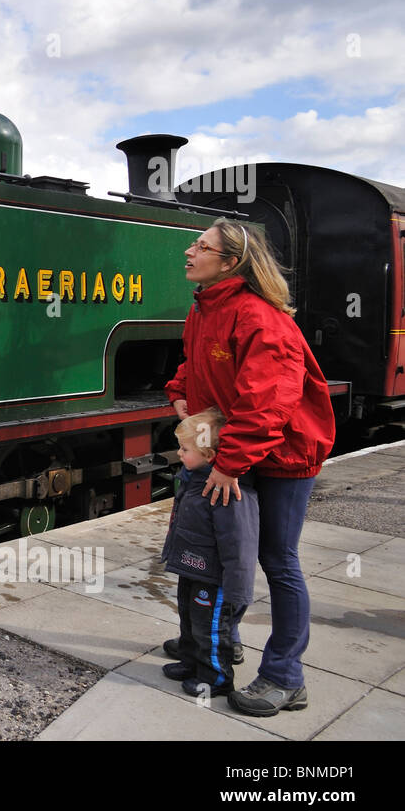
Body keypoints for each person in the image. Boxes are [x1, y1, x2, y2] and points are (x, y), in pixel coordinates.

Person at [165, 218, 336, 716]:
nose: (189, 251)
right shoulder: (206, 309)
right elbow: (196, 365)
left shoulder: (260, 317)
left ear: (230, 262)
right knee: (223, 551)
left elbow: (267, 404)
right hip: (241, 450)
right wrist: (180, 394)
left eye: (202, 246)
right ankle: (220, 646)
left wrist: (230, 465)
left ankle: (286, 676)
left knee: (277, 560)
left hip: (284, 454)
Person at [160, 408, 259, 699]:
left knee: (211, 629)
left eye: (185, 448)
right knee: (189, 620)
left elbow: (239, 543)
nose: (179, 453)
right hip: (191, 568)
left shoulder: (226, 491)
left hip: (213, 576)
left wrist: (237, 587)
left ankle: (215, 677)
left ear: (211, 456)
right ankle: (191, 662)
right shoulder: (192, 479)